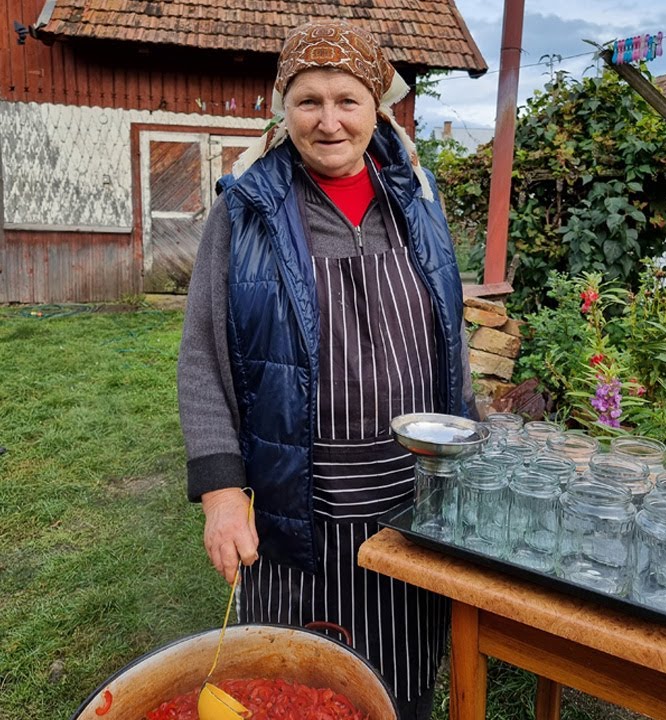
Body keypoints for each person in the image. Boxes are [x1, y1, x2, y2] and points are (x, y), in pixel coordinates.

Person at [177, 19, 473, 718]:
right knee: (292, 687)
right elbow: (202, 358)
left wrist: (472, 453)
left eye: (348, 100)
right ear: (284, 109)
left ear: (379, 108)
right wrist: (222, 493)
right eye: (309, 100)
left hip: (409, 494)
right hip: (295, 500)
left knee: (400, 684)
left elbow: (450, 345)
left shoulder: (417, 205)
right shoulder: (246, 210)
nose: (329, 121)